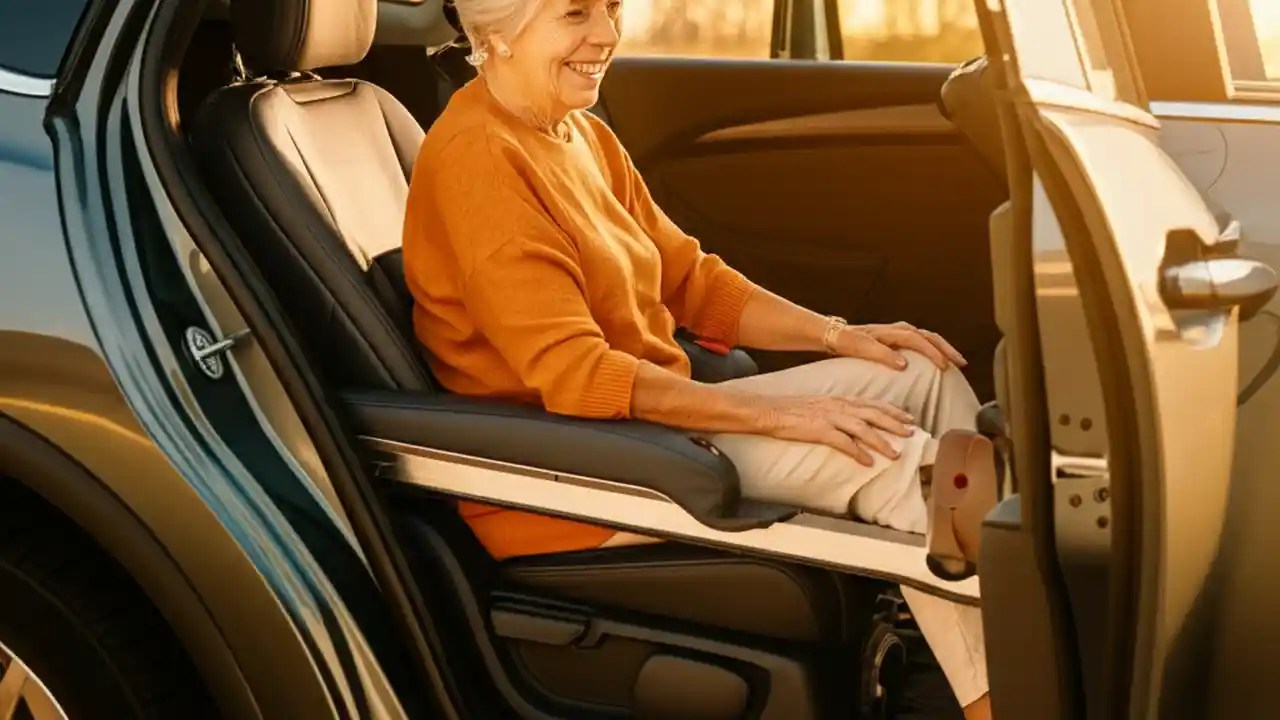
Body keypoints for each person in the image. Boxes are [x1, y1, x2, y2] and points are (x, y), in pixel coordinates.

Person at [401, 0, 992, 716]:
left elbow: (690, 280)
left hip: (656, 426)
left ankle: (1003, 635)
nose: (607, 34)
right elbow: (579, 376)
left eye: (613, 7)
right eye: (575, 13)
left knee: (918, 374)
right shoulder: (479, 163)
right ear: (496, 35)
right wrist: (780, 414)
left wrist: (841, 334)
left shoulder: (578, 134)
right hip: (582, 469)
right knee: (894, 460)